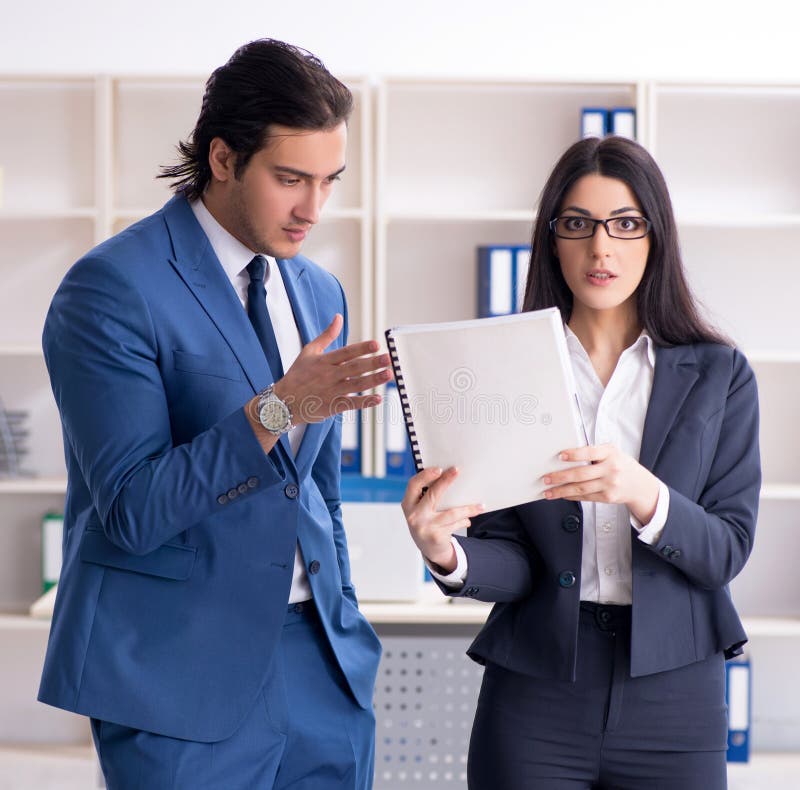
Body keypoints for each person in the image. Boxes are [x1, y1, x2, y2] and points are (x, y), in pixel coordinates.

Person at [38, 38, 390, 790]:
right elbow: (133, 508)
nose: (314, 209)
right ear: (223, 158)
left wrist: (345, 620)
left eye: (331, 180)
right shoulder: (110, 289)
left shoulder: (318, 292)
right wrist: (277, 407)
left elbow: (318, 490)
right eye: (290, 178)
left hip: (320, 670)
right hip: (180, 677)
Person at [401, 135, 760, 789]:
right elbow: (510, 563)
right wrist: (445, 552)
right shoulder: (499, 372)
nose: (602, 248)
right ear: (552, 238)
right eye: (578, 225)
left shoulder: (719, 374)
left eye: (625, 224)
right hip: (537, 692)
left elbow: (726, 550)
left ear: (655, 236)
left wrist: (642, 493)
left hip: (675, 696)